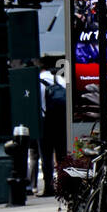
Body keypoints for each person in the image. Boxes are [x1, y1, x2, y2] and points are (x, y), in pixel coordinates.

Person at [38, 68, 66, 197]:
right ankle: (63, 184)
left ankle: (48, 187)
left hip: (45, 122)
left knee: (46, 156)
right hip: (60, 121)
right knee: (61, 154)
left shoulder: (38, 82)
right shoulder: (60, 79)